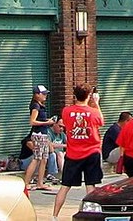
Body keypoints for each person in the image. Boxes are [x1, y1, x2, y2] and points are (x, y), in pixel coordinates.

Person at [52, 84, 104, 219]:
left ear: (75, 95)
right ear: (89, 96)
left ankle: (54, 216)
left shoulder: (66, 111)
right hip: (91, 152)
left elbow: (67, 123)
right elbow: (101, 121)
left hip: (73, 153)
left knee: (64, 186)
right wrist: (96, 103)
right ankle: (92, 215)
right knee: (90, 186)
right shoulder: (93, 112)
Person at [24, 84, 58, 193]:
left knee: (44, 159)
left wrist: (49, 120)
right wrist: (47, 122)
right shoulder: (35, 106)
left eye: (45, 94)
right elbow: (32, 121)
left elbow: (40, 119)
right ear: (36, 95)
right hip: (38, 135)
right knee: (37, 159)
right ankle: (26, 183)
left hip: (43, 134)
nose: (45, 96)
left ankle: (40, 183)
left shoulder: (40, 105)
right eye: (43, 94)